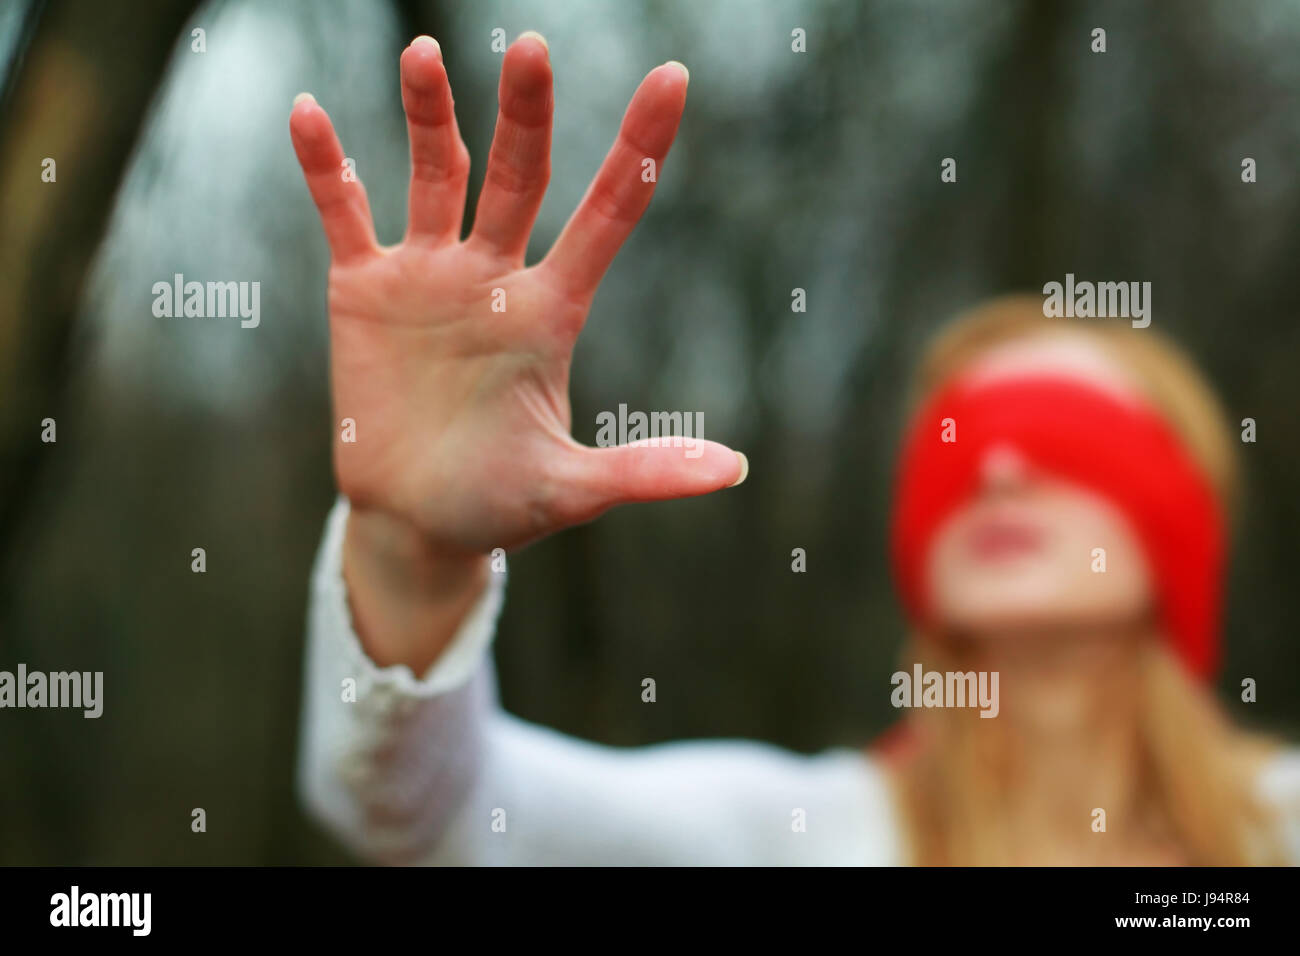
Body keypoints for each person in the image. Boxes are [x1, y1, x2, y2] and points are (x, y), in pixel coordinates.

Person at [289, 33, 1299, 865]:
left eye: (1071, 439)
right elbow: (424, 810)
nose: (996, 470)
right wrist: (412, 550)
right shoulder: (794, 835)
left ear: (1182, 515)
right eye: (961, 446)